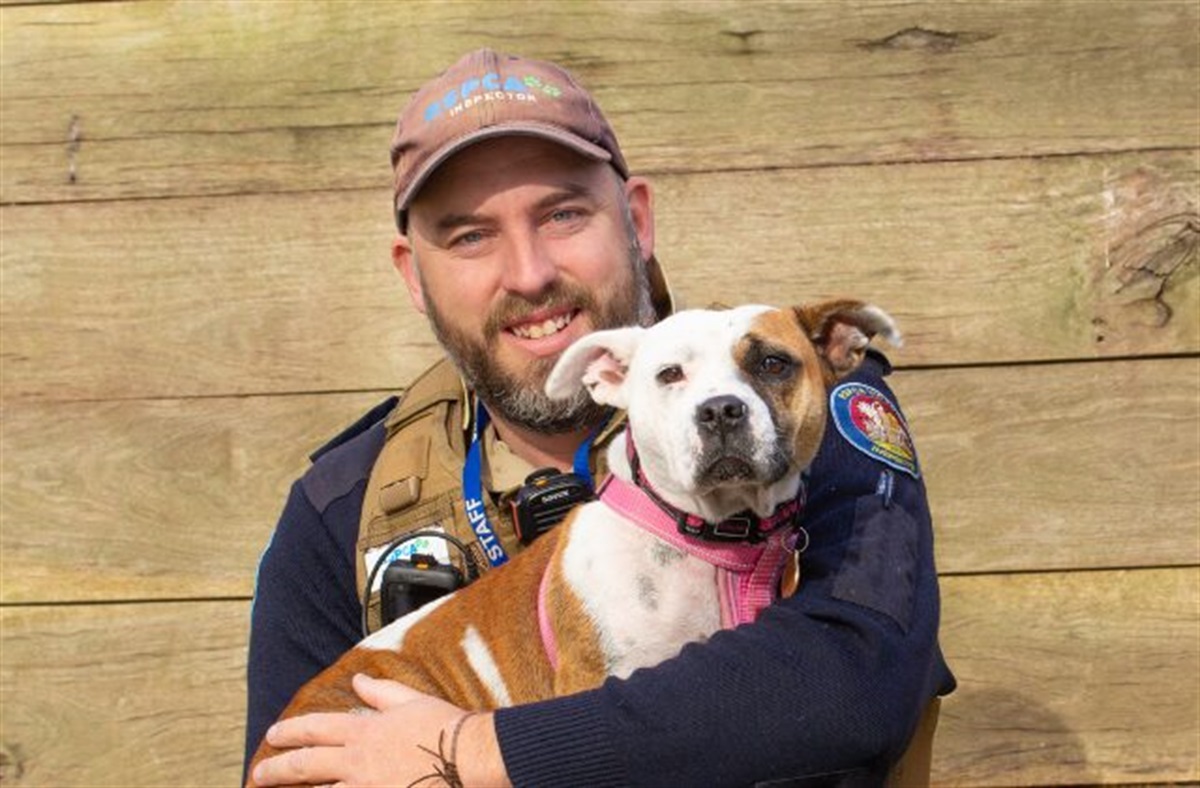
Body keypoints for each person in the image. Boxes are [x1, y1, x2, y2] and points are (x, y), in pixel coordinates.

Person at [245, 48, 954, 787]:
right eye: (469, 236)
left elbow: (861, 677)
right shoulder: (343, 505)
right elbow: (287, 762)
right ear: (412, 275)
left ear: (636, 220)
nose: (529, 274)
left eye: (563, 214)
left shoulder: (803, 399)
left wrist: (483, 749)